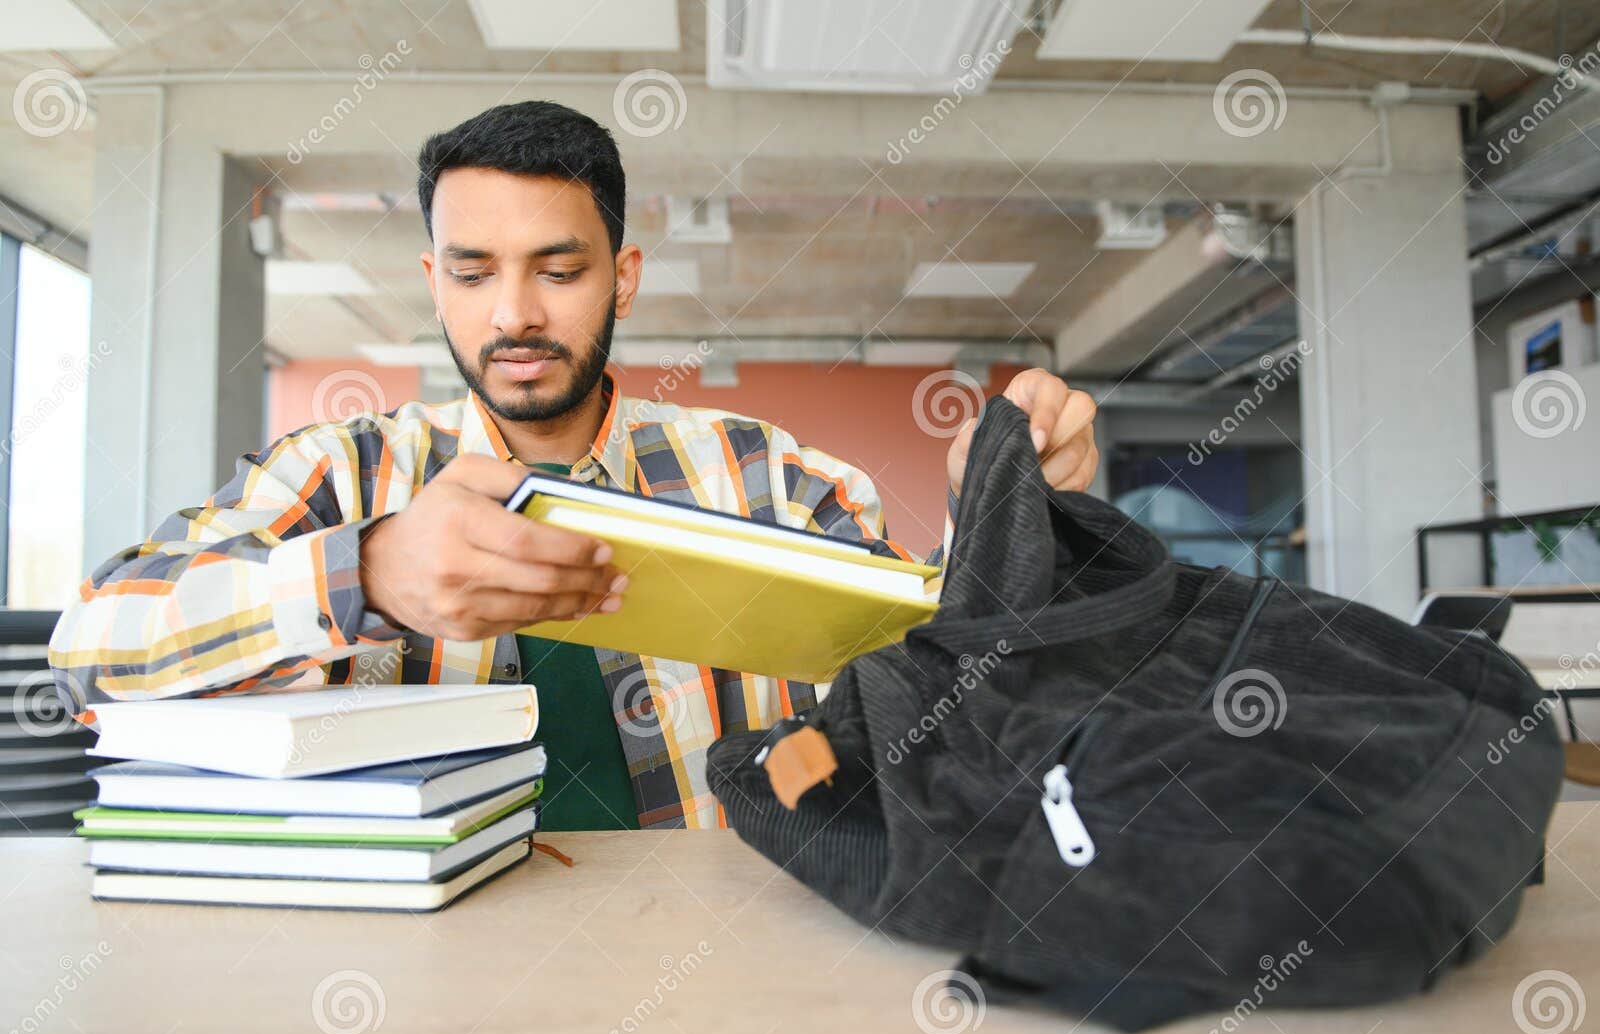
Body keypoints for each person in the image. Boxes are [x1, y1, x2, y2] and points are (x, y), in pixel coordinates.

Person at [48, 101, 1099, 831]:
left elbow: (926, 687)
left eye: (559, 270)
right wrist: (360, 574)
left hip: (723, 961)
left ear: (622, 277)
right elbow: (92, 649)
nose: (513, 314)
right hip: (417, 984)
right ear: (433, 280)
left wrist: (1004, 515)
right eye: (473, 273)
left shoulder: (768, 477)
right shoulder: (337, 473)